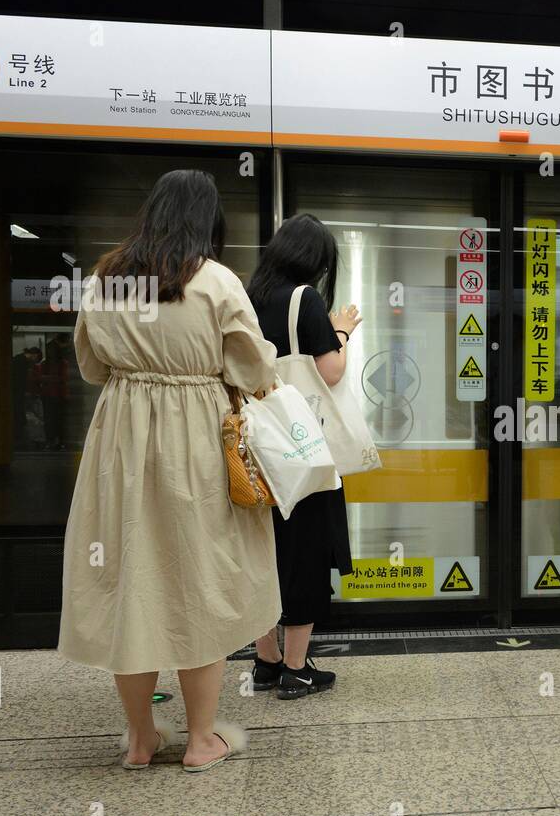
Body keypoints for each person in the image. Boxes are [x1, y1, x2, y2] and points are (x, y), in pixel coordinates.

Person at [59, 169, 280, 772]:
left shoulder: (107, 279)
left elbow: (90, 366)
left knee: (130, 582)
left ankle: (139, 738)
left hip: (120, 442)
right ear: (207, 221)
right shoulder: (215, 281)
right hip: (196, 441)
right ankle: (203, 739)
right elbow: (254, 370)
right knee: (197, 580)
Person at [246, 214, 361, 699]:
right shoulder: (305, 300)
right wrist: (342, 332)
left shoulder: (248, 300)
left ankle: (266, 661)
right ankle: (297, 668)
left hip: (256, 450)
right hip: (302, 449)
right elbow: (330, 373)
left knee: (262, 553)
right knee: (306, 552)